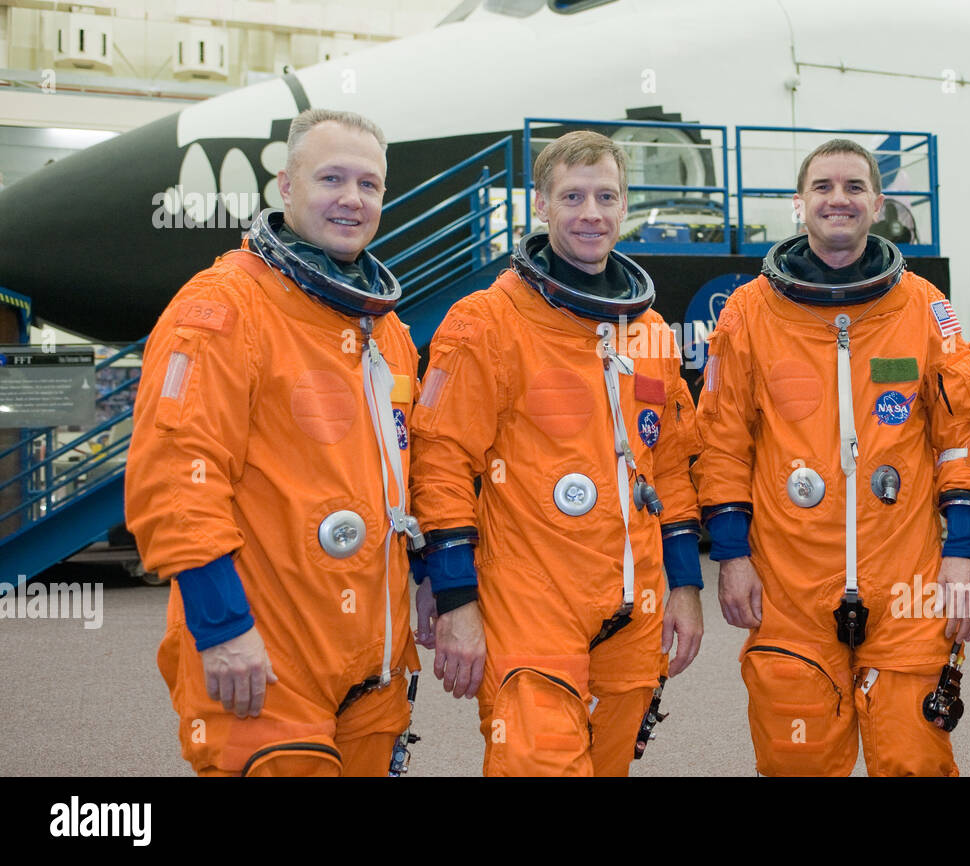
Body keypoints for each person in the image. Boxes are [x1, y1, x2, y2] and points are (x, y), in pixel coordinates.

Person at [126, 108, 424, 776]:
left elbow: (410, 473)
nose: (352, 199)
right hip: (264, 655)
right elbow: (176, 474)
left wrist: (435, 584)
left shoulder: (387, 332)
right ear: (285, 186)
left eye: (369, 185)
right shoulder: (225, 309)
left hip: (370, 666)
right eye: (331, 178)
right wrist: (223, 625)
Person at [694, 139, 970, 776]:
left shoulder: (924, 308)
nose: (840, 199)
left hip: (907, 581)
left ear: (878, 203)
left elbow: (963, 437)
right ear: (800, 203)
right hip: (787, 588)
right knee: (796, 761)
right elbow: (722, 443)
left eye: (855, 187)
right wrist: (732, 558)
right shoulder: (749, 313)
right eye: (825, 187)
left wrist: (965, 554)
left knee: (914, 758)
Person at [407, 130, 704, 777]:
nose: (591, 212)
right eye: (572, 196)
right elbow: (441, 464)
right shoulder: (485, 323)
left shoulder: (651, 334)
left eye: (606, 196)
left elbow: (672, 468)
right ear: (540, 204)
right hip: (528, 600)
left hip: (633, 603)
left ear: (626, 206)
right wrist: (455, 600)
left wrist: (685, 585)